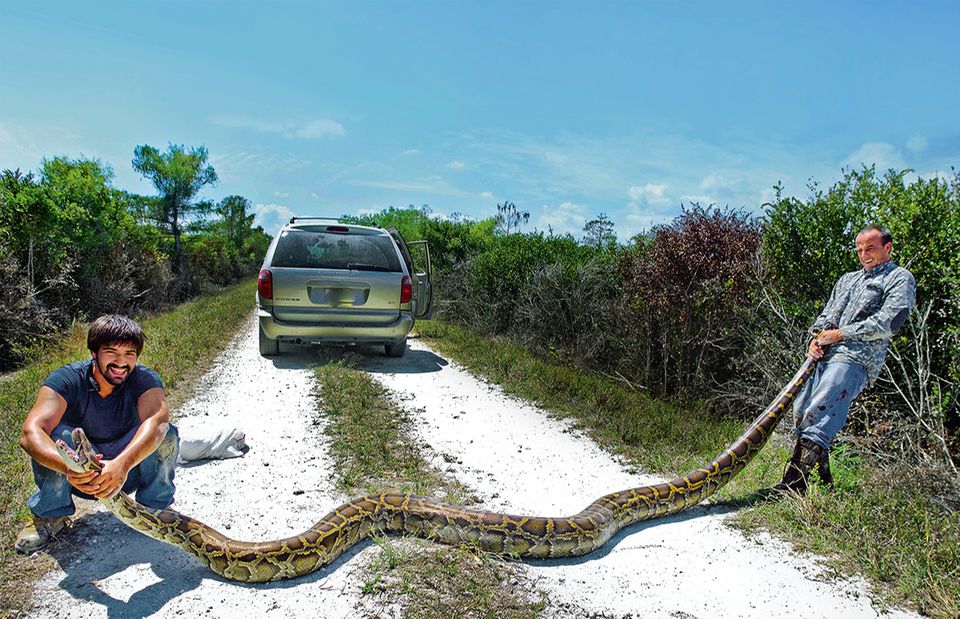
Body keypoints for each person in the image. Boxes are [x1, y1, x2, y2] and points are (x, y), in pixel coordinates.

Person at [15, 315, 179, 553]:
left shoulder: (145, 379)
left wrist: (122, 465)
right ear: (94, 352)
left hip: (125, 472)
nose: (121, 362)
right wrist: (69, 467)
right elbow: (30, 433)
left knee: (167, 433)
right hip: (75, 475)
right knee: (57, 436)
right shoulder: (67, 379)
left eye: (129, 354)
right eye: (111, 352)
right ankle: (49, 515)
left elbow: (158, 421)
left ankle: (156, 509)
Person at [777, 224, 916, 494]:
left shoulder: (899, 278)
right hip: (824, 355)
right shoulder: (847, 279)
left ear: (887, 247)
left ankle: (792, 486)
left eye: (871, 248)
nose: (864, 254)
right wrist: (815, 339)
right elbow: (826, 316)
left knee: (820, 410)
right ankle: (824, 482)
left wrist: (840, 334)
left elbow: (889, 322)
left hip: (856, 357)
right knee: (801, 411)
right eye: (860, 249)